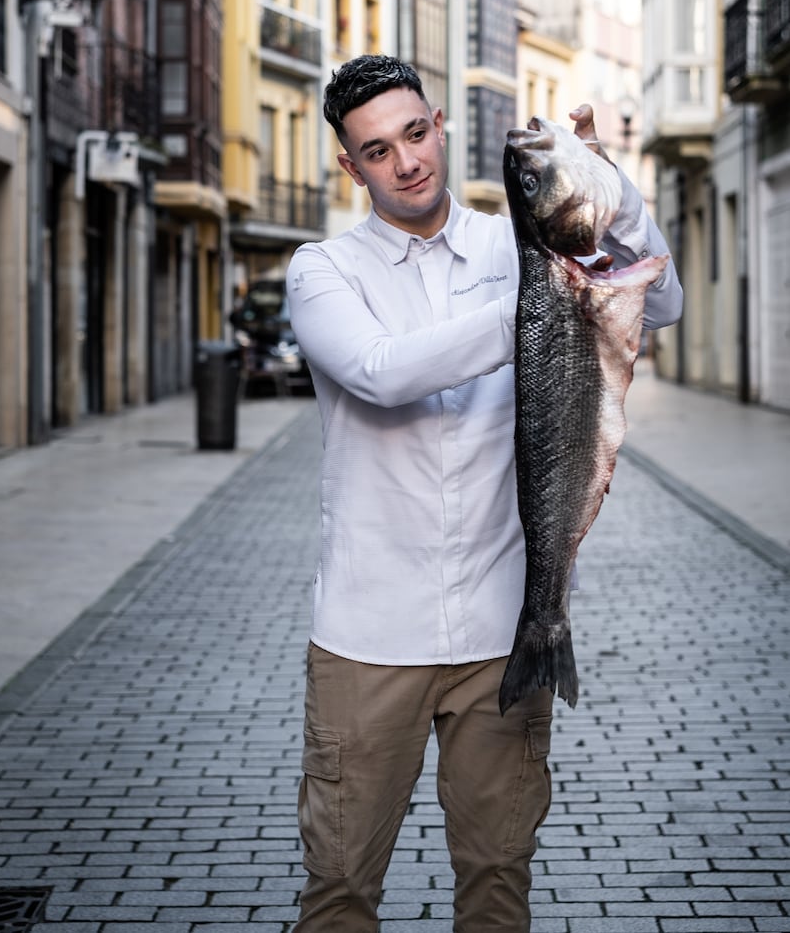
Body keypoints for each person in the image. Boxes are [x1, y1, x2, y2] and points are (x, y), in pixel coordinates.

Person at [285, 54, 683, 932]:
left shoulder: (525, 245)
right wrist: (552, 298)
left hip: (507, 630)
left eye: (416, 133)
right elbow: (381, 374)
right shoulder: (323, 271)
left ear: (438, 123)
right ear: (352, 167)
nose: (408, 162)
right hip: (368, 640)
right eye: (379, 150)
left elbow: (661, 303)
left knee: (498, 883)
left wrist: (609, 195)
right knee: (341, 891)